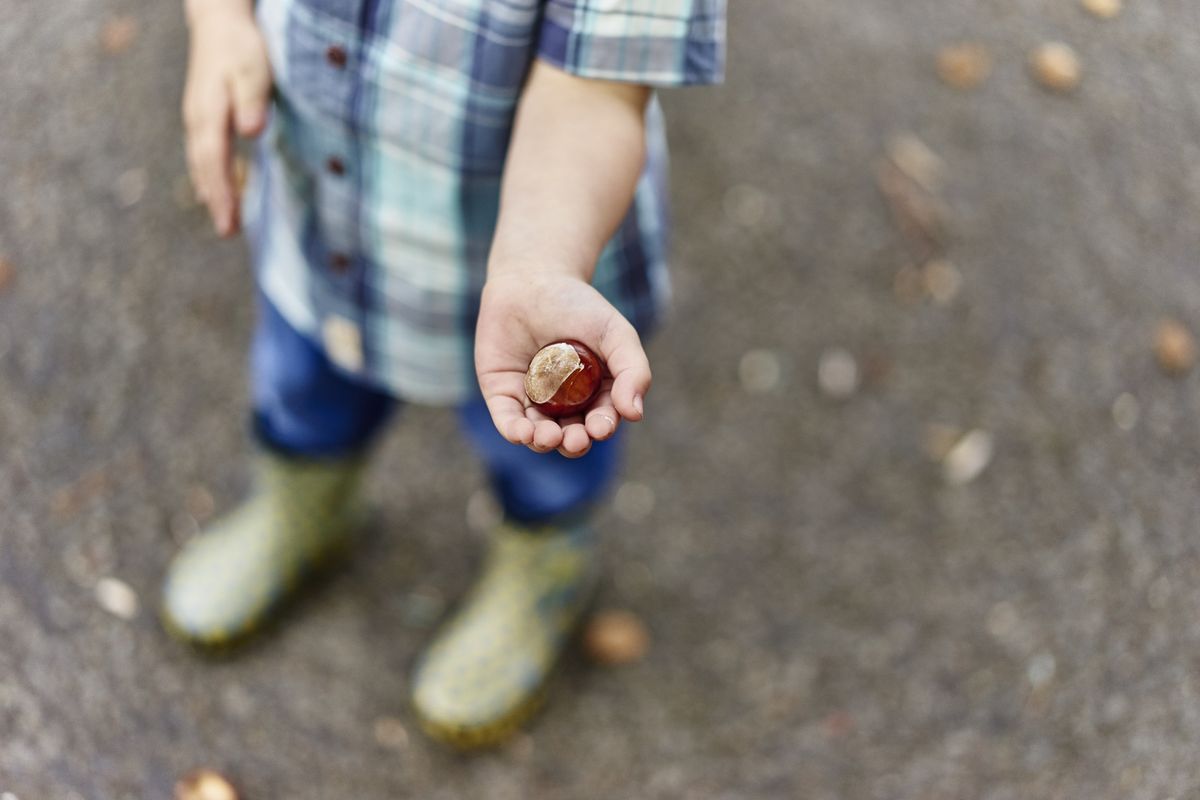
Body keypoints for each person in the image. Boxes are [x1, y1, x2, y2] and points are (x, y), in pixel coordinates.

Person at [162, 0, 725, 748]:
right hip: (319, 216)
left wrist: (536, 262)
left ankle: (543, 561)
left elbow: (593, 92)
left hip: (520, 262)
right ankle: (308, 505)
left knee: (540, 449)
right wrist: (220, 23)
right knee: (303, 385)